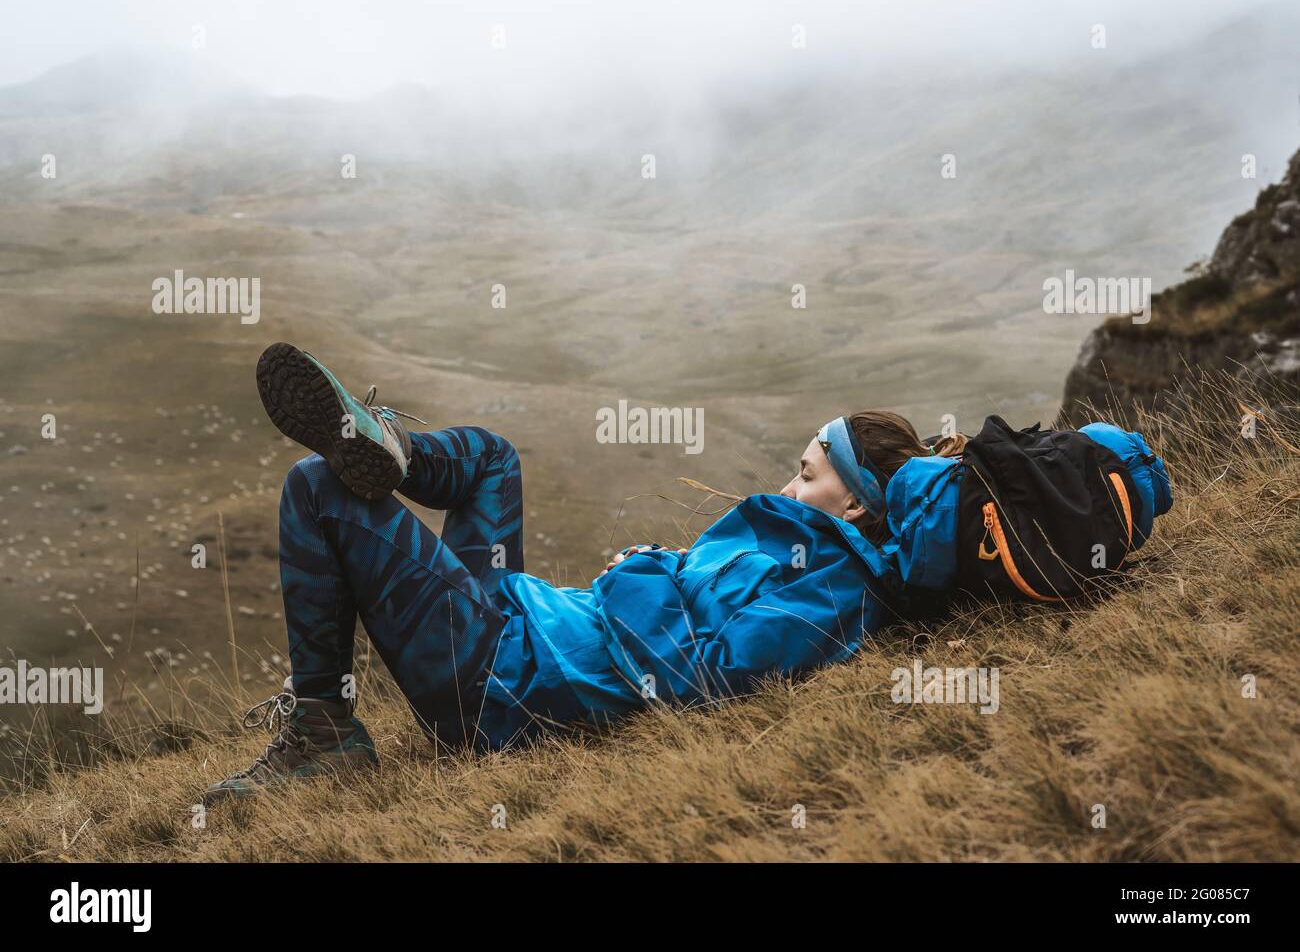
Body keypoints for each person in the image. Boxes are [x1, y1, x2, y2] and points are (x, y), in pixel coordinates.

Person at [203, 343, 961, 803]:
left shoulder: (829, 591)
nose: (789, 489)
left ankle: (324, 730)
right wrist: (660, 571)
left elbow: (714, 677)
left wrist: (645, 572)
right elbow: (700, 616)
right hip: (524, 623)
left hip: (500, 679)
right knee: (492, 458)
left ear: (857, 505)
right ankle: (396, 453)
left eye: (807, 476)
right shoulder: (815, 560)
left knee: (314, 486)